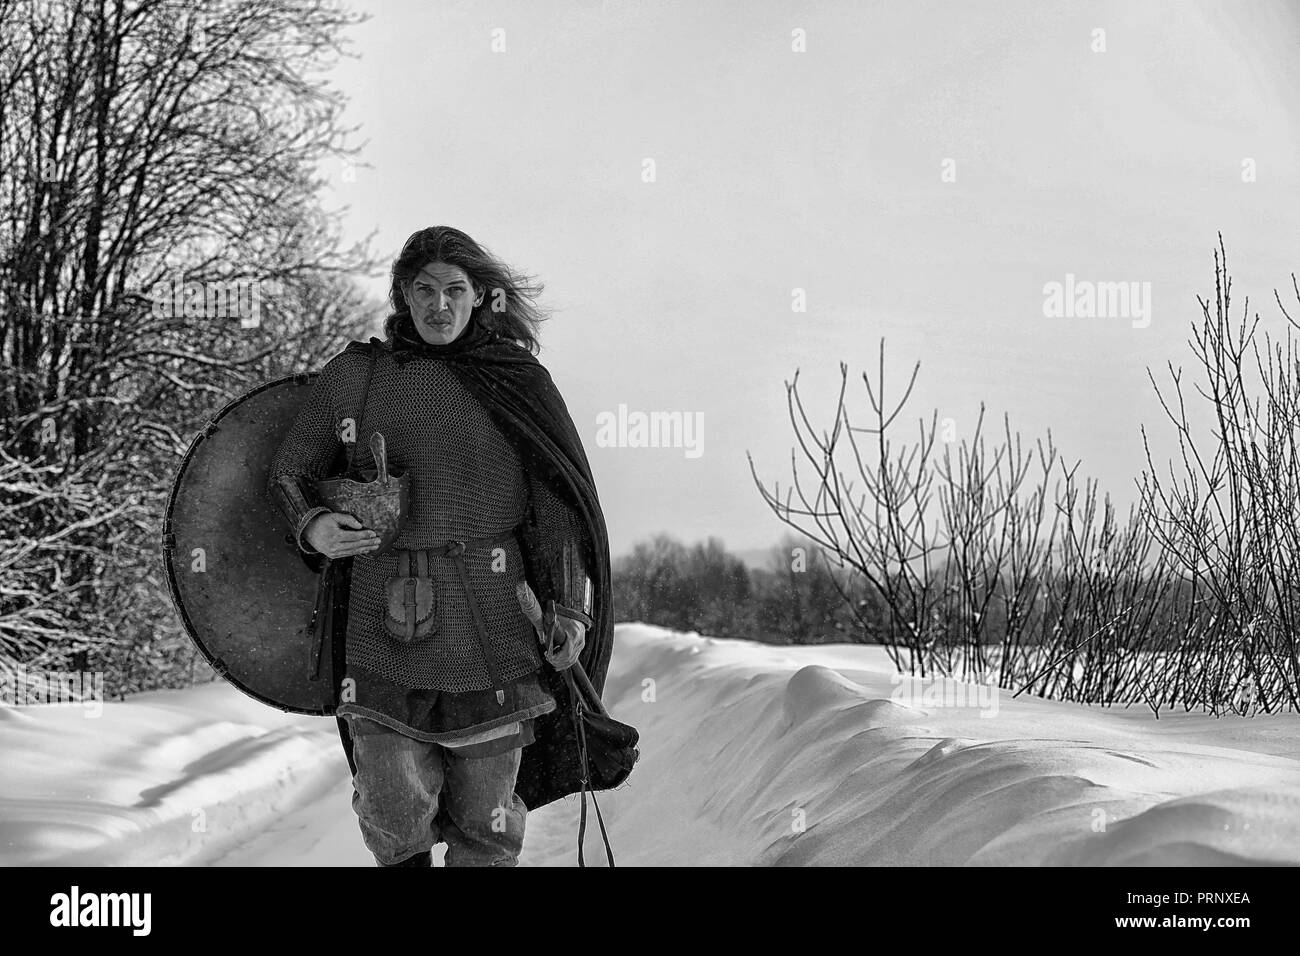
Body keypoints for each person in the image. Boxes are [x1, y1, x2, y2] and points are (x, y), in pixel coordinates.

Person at [266, 226, 598, 866]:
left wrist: (569, 608)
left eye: (454, 290)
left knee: (487, 817)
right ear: (402, 296)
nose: (438, 306)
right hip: (380, 614)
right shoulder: (358, 377)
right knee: (390, 806)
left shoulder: (514, 382)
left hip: (497, 616)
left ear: (480, 297)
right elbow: (289, 467)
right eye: (423, 290)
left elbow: (556, 505)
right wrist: (313, 524)